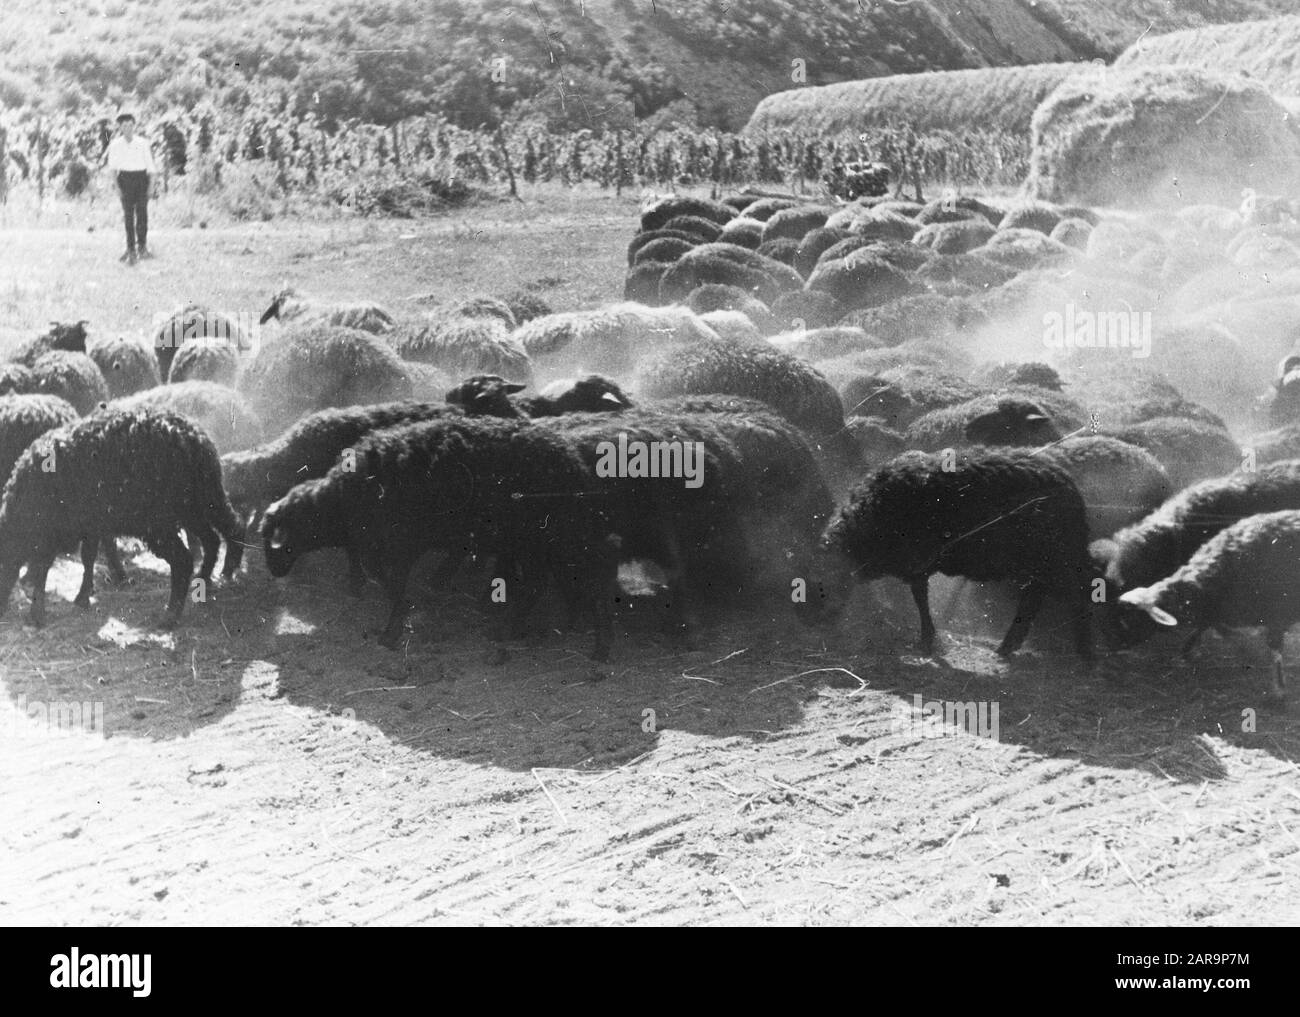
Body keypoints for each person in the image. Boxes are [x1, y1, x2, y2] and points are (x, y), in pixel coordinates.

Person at [105, 112, 156, 265]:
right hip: (125, 181)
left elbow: (151, 167)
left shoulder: (142, 143)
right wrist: (117, 188)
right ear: (120, 128)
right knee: (128, 216)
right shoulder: (115, 145)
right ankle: (130, 249)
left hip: (141, 180)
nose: (128, 128)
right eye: (124, 126)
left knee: (142, 215)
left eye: (130, 125)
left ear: (134, 126)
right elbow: (112, 170)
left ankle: (142, 247)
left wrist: (151, 186)